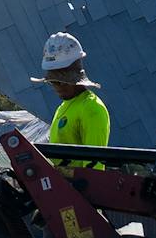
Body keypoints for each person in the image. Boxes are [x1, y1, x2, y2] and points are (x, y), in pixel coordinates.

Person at [34, 31, 110, 159]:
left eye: (61, 82)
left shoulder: (92, 109)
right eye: (52, 82)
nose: (57, 87)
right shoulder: (63, 107)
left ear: (75, 78)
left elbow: (95, 168)